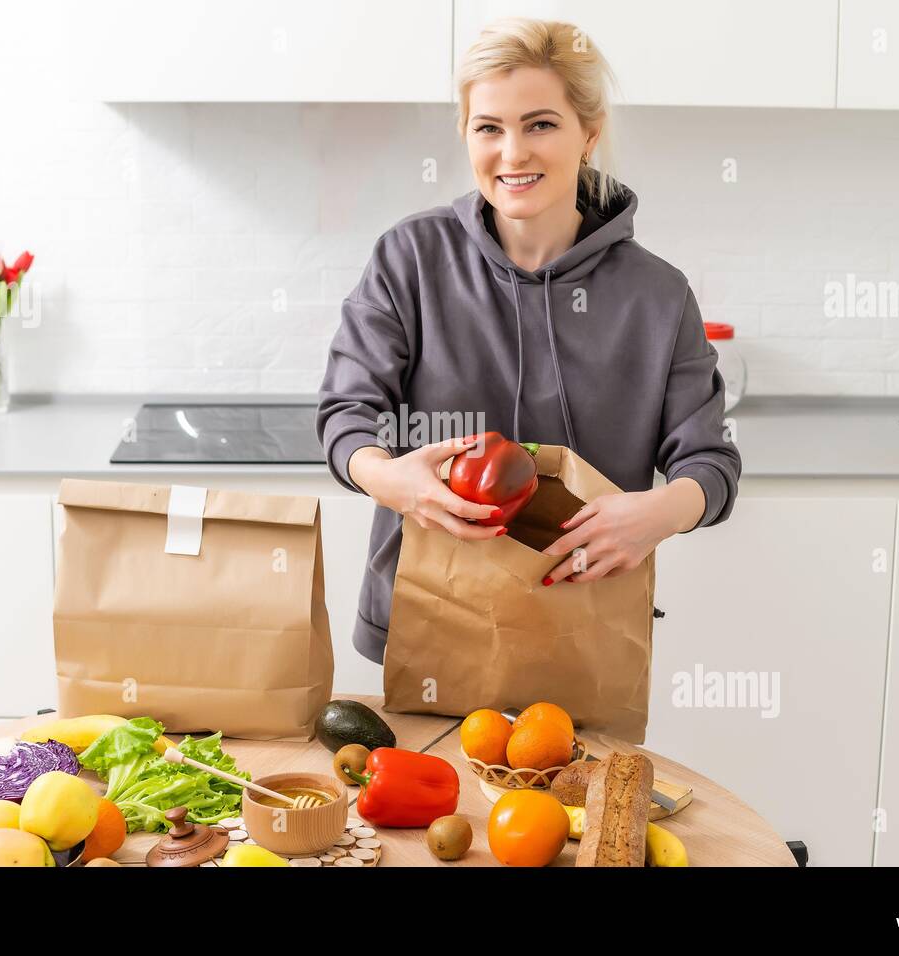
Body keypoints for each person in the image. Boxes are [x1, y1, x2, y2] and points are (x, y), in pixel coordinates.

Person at [316, 17, 741, 666]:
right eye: (489, 127)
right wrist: (388, 478)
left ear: (588, 133)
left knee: (575, 775)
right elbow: (348, 415)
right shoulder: (411, 257)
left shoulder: (657, 295)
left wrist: (659, 513)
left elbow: (709, 462)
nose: (513, 154)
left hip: (584, 626)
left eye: (540, 124)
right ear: (465, 133)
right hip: (428, 617)